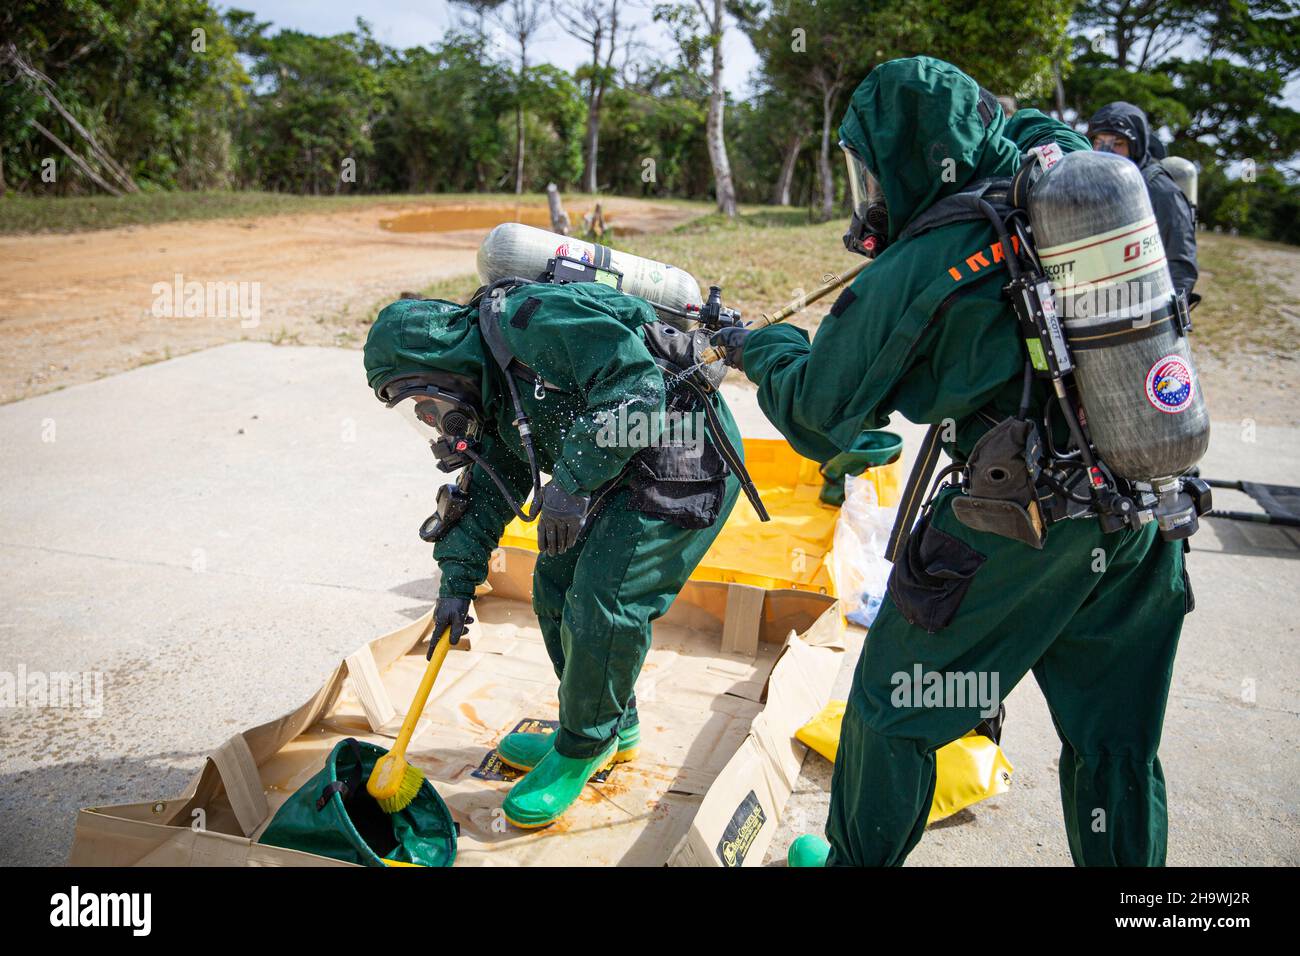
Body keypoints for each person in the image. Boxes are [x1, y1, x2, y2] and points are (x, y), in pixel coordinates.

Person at [713, 56, 1192, 867]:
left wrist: (763, 347)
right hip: (1144, 494)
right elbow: (1027, 125)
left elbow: (820, 416)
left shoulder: (922, 266)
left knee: (890, 711)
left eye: (871, 165)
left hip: (1019, 521)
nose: (870, 188)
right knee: (1115, 742)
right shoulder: (1057, 174)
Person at [364, 280, 745, 829]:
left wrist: (569, 483)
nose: (430, 419)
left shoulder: (532, 322)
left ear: (439, 368)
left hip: (682, 456)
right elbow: (492, 486)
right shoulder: (488, 384)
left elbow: (637, 391)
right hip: (609, 468)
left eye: (424, 402)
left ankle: (584, 745)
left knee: (602, 604)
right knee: (554, 586)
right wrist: (455, 584)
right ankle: (614, 723)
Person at [1087, 102, 1198, 299]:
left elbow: (1180, 265)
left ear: (1135, 145)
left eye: (1117, 144)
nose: (1105, 151)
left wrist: (1164, 318)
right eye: (1098, 142)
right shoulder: (1091, 187)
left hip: (1147, 309)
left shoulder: (1160, 190)